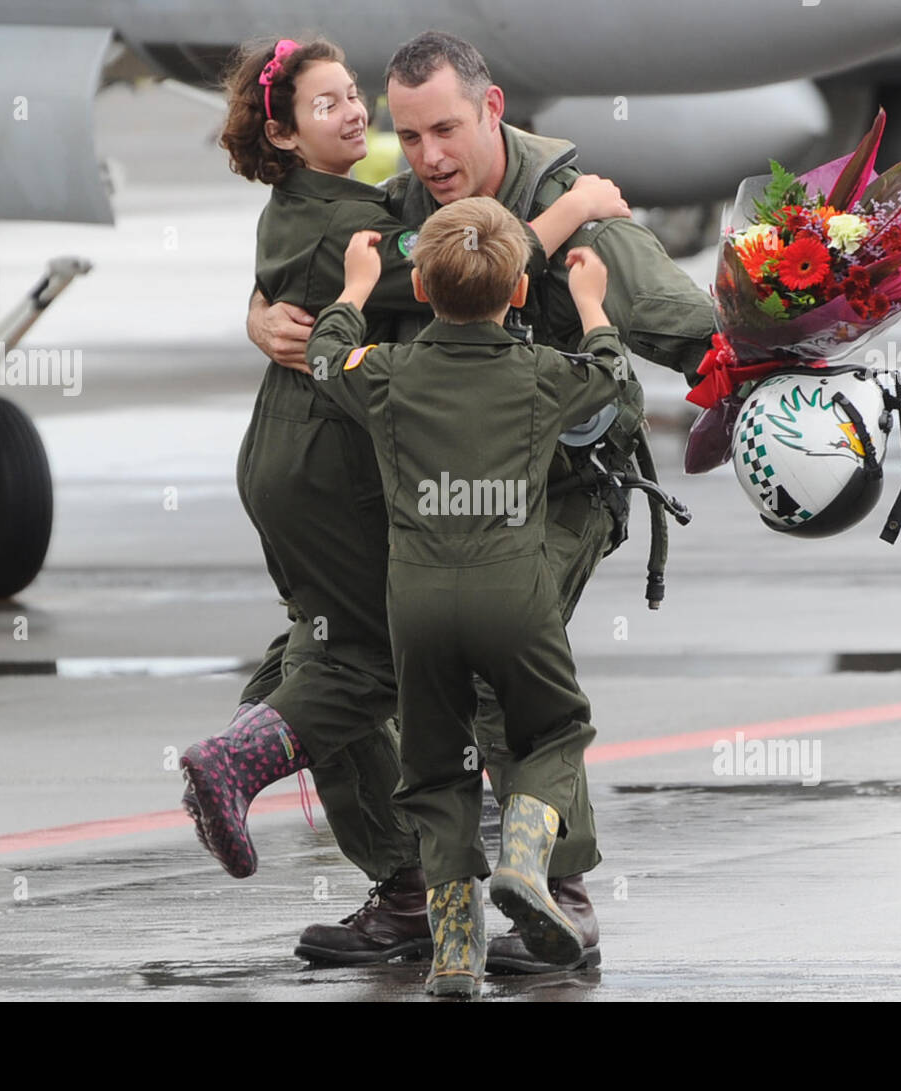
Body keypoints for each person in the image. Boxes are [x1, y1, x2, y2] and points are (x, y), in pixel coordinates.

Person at [248, 31, 716, 973]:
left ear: (492, 109)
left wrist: (769, 372)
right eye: (410, 135)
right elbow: (335, 280)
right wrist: (255, 312)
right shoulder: (404, 208)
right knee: (325, 652)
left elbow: (684, 328)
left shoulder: (573, 213)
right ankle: (410, 892)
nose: (429, 156)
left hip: (560, 492)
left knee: (508, 688)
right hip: (434, 496)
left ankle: (563, 900)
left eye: (447, 130)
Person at [180, 37, 631, 903]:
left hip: (283, 456)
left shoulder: (315, 203)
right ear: (281, 137)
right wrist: (576, 209)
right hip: (323, 468)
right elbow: (465, 266)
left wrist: (258, 313)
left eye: (353, 95)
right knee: (382, 663)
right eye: (326, 104)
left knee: (324, 645)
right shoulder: (347, 222)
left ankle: (401, 883)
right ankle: (242, 764)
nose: (355, 113)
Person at [307, 197, 625, 998]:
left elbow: (325, 355)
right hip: (513, 598)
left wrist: (353, 288)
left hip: (415, 604)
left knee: (436, 773)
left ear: (420, 289)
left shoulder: (385, 374)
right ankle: (523, 855)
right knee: (557, 728)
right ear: (519, 291)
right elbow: (611, 380)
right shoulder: (543, 376)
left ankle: (453, 953)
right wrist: (591, 306)